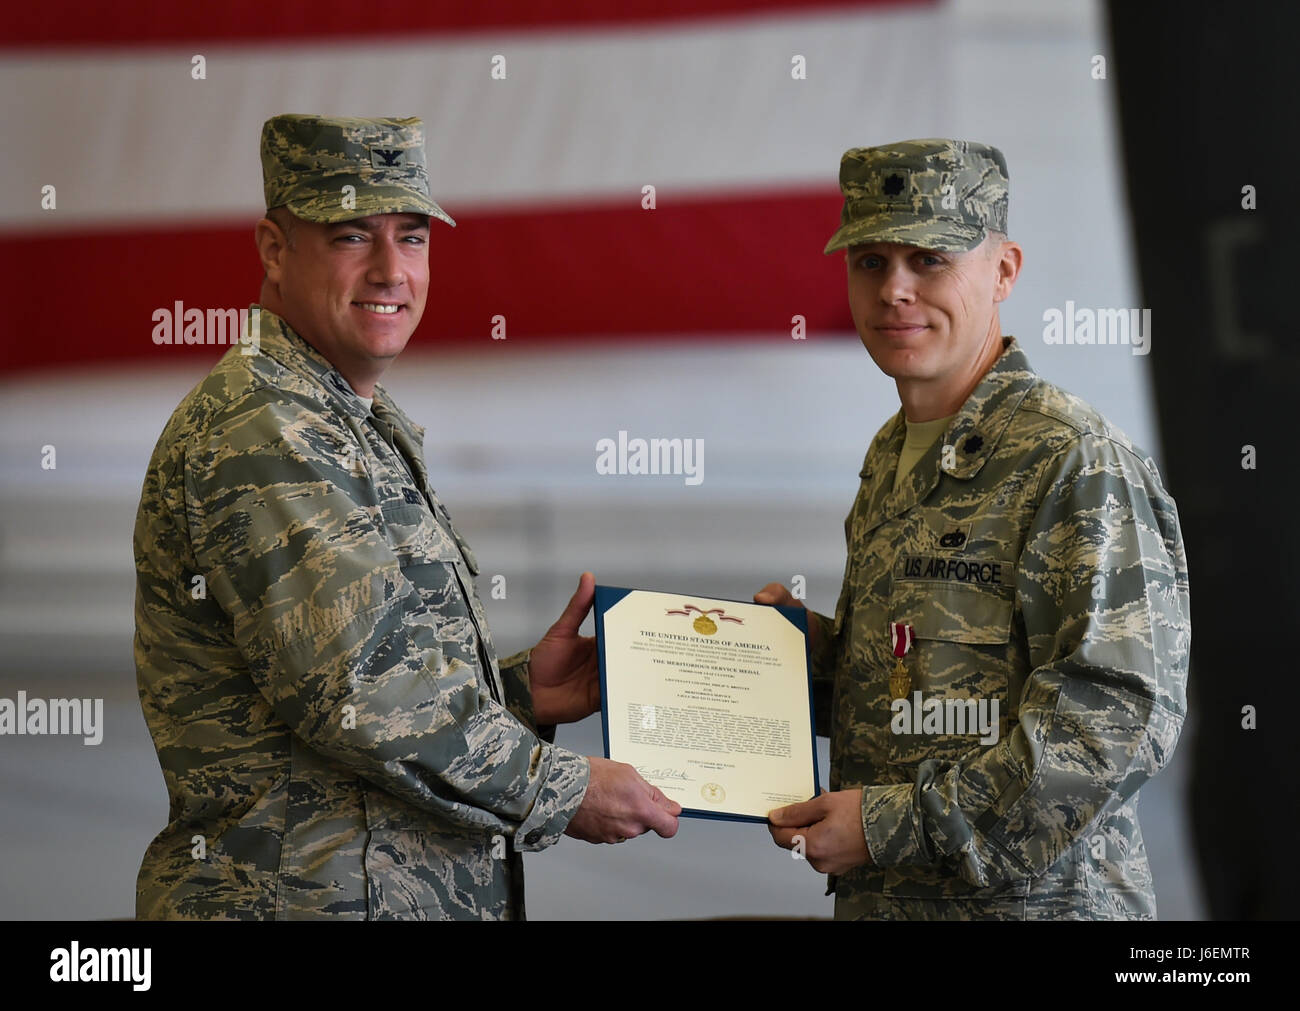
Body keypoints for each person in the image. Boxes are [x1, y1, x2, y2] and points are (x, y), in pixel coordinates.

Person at [132, 114, 680, 921]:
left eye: (413, 238)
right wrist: (559, 786)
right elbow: (365, 699)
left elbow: (368, 678)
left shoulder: (347, 420)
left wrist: (523, 692)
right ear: (275, 249)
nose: (392, 270)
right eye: (353, 236)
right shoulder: (264, 430)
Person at [756, 139, 1190, 920]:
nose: (894, 289)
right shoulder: (893, 452)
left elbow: (1110, 723)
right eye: (869, 261)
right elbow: (928, 693)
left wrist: (890, 826)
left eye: (929, 258)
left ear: (1004, 271)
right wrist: (810, 661)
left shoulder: (1071, 459)